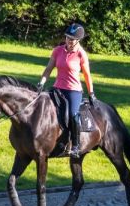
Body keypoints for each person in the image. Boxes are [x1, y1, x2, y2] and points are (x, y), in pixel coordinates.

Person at [36, 23, 96, 158]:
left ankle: (75, 145)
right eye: (68, 37)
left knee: (73, 115)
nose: (69, 40)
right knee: (43, 107)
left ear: (78, 40)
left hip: (73, 91)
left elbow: (87, 75)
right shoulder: (57, 50)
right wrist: (41, 83)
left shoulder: (81, 54)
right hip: (57, 88)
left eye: (72, 39)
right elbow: (48, 69)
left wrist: (91, 93)